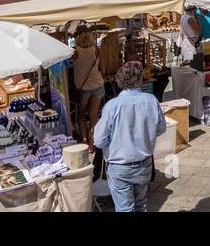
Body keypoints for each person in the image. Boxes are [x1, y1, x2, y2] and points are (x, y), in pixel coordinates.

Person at [92, 60, 167, 212]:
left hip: (120, 166)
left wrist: (116, 140)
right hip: (144, 163)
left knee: (125, 208)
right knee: (141, 205)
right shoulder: (151, 101)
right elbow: (160, 128)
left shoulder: (112, 106)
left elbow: (99, 140)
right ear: (139, 79)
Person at [72, 30, 106, 142]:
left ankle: (84, 139)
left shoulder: (74, 52)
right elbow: (103, 70)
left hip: (82, 89)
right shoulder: (97, 51)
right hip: (97, 86)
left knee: (81, 116)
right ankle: (92, 143)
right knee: (93, 117)